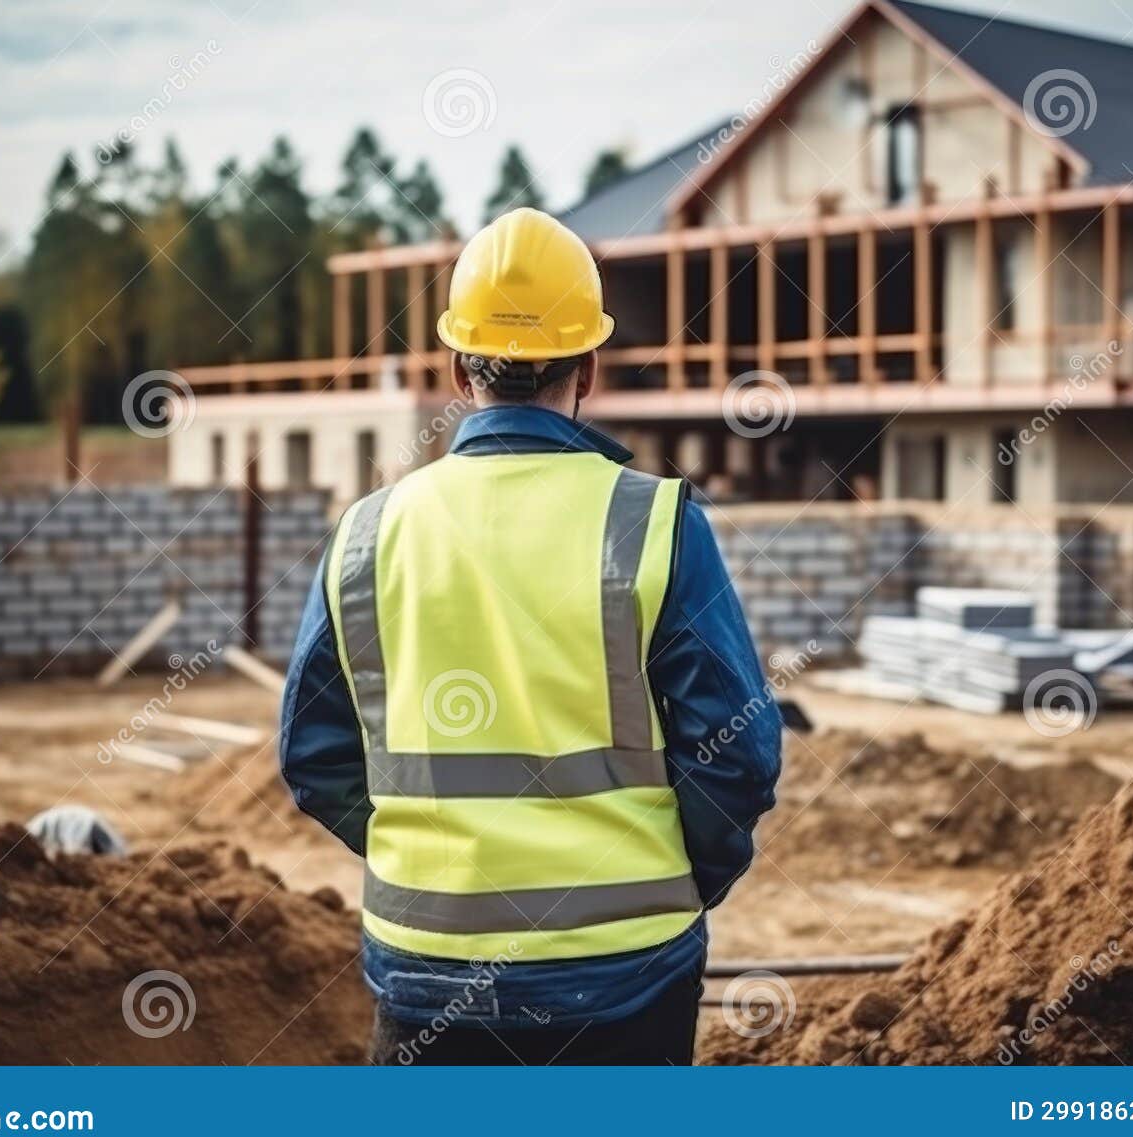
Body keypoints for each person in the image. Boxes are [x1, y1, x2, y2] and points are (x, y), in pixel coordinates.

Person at [278, 207, 781, 1065]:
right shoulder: (653, 521)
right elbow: (735, 755)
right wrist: (680, 880)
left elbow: (313, 754)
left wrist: (433, 858)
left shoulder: (368, 532)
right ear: (588, 367)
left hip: (425, 974)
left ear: (455, 369)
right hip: (625, 975)